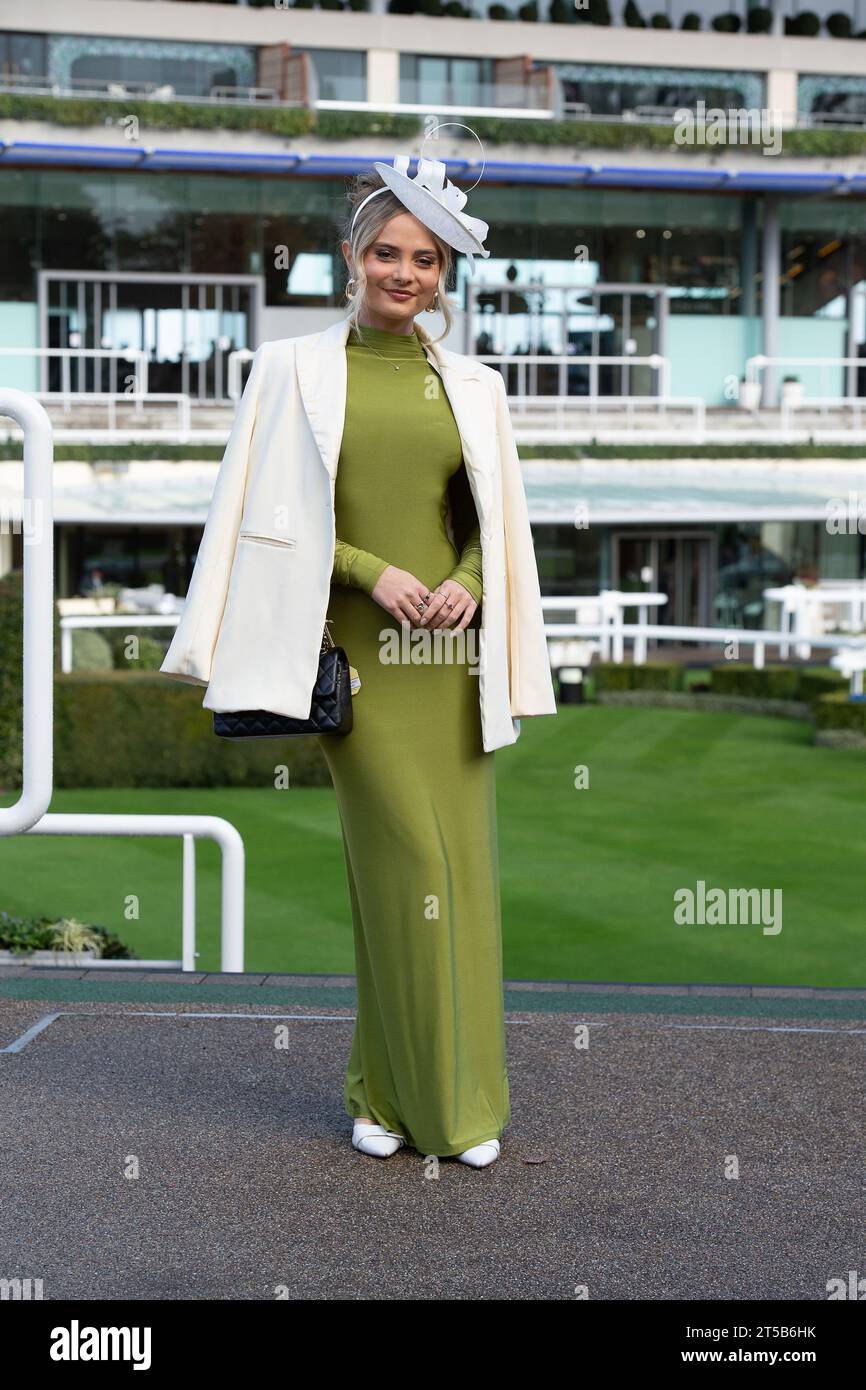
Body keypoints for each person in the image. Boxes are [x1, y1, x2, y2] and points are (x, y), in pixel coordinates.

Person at [318, 141, 556, 1168]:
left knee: (454, 880)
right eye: (386, 253)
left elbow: (484, 524)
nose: (403, 273)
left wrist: (460, 580)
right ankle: (413, 1102)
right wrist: (373, 571)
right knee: (401, 869)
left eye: (423, 258)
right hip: (360, 663)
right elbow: (265, 527)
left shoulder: (474, 388)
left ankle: (417, 1099)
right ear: (352, 255)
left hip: (450, 669)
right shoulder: (295, 374)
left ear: (444, 274)